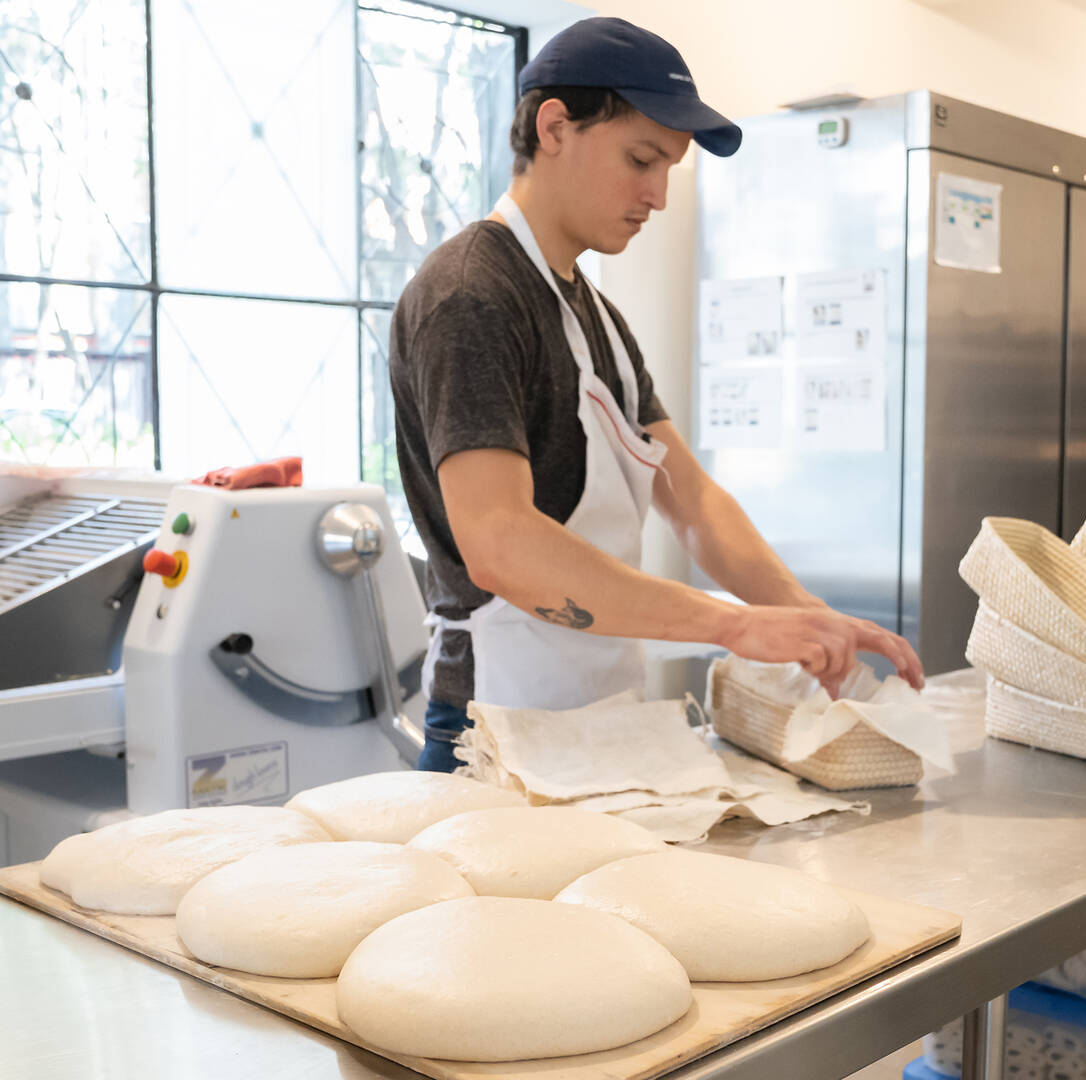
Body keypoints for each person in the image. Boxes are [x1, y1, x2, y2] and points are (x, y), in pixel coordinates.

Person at [388, 18, 923, 771]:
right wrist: (733, 627)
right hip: (492, 730)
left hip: (601, 715)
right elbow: (500, 543)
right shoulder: (473, 295)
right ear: (554, 127)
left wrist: (805, 614)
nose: (659, 196)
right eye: (642, 159)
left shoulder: (597, 316)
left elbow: (694, 503)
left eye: (669, 168)